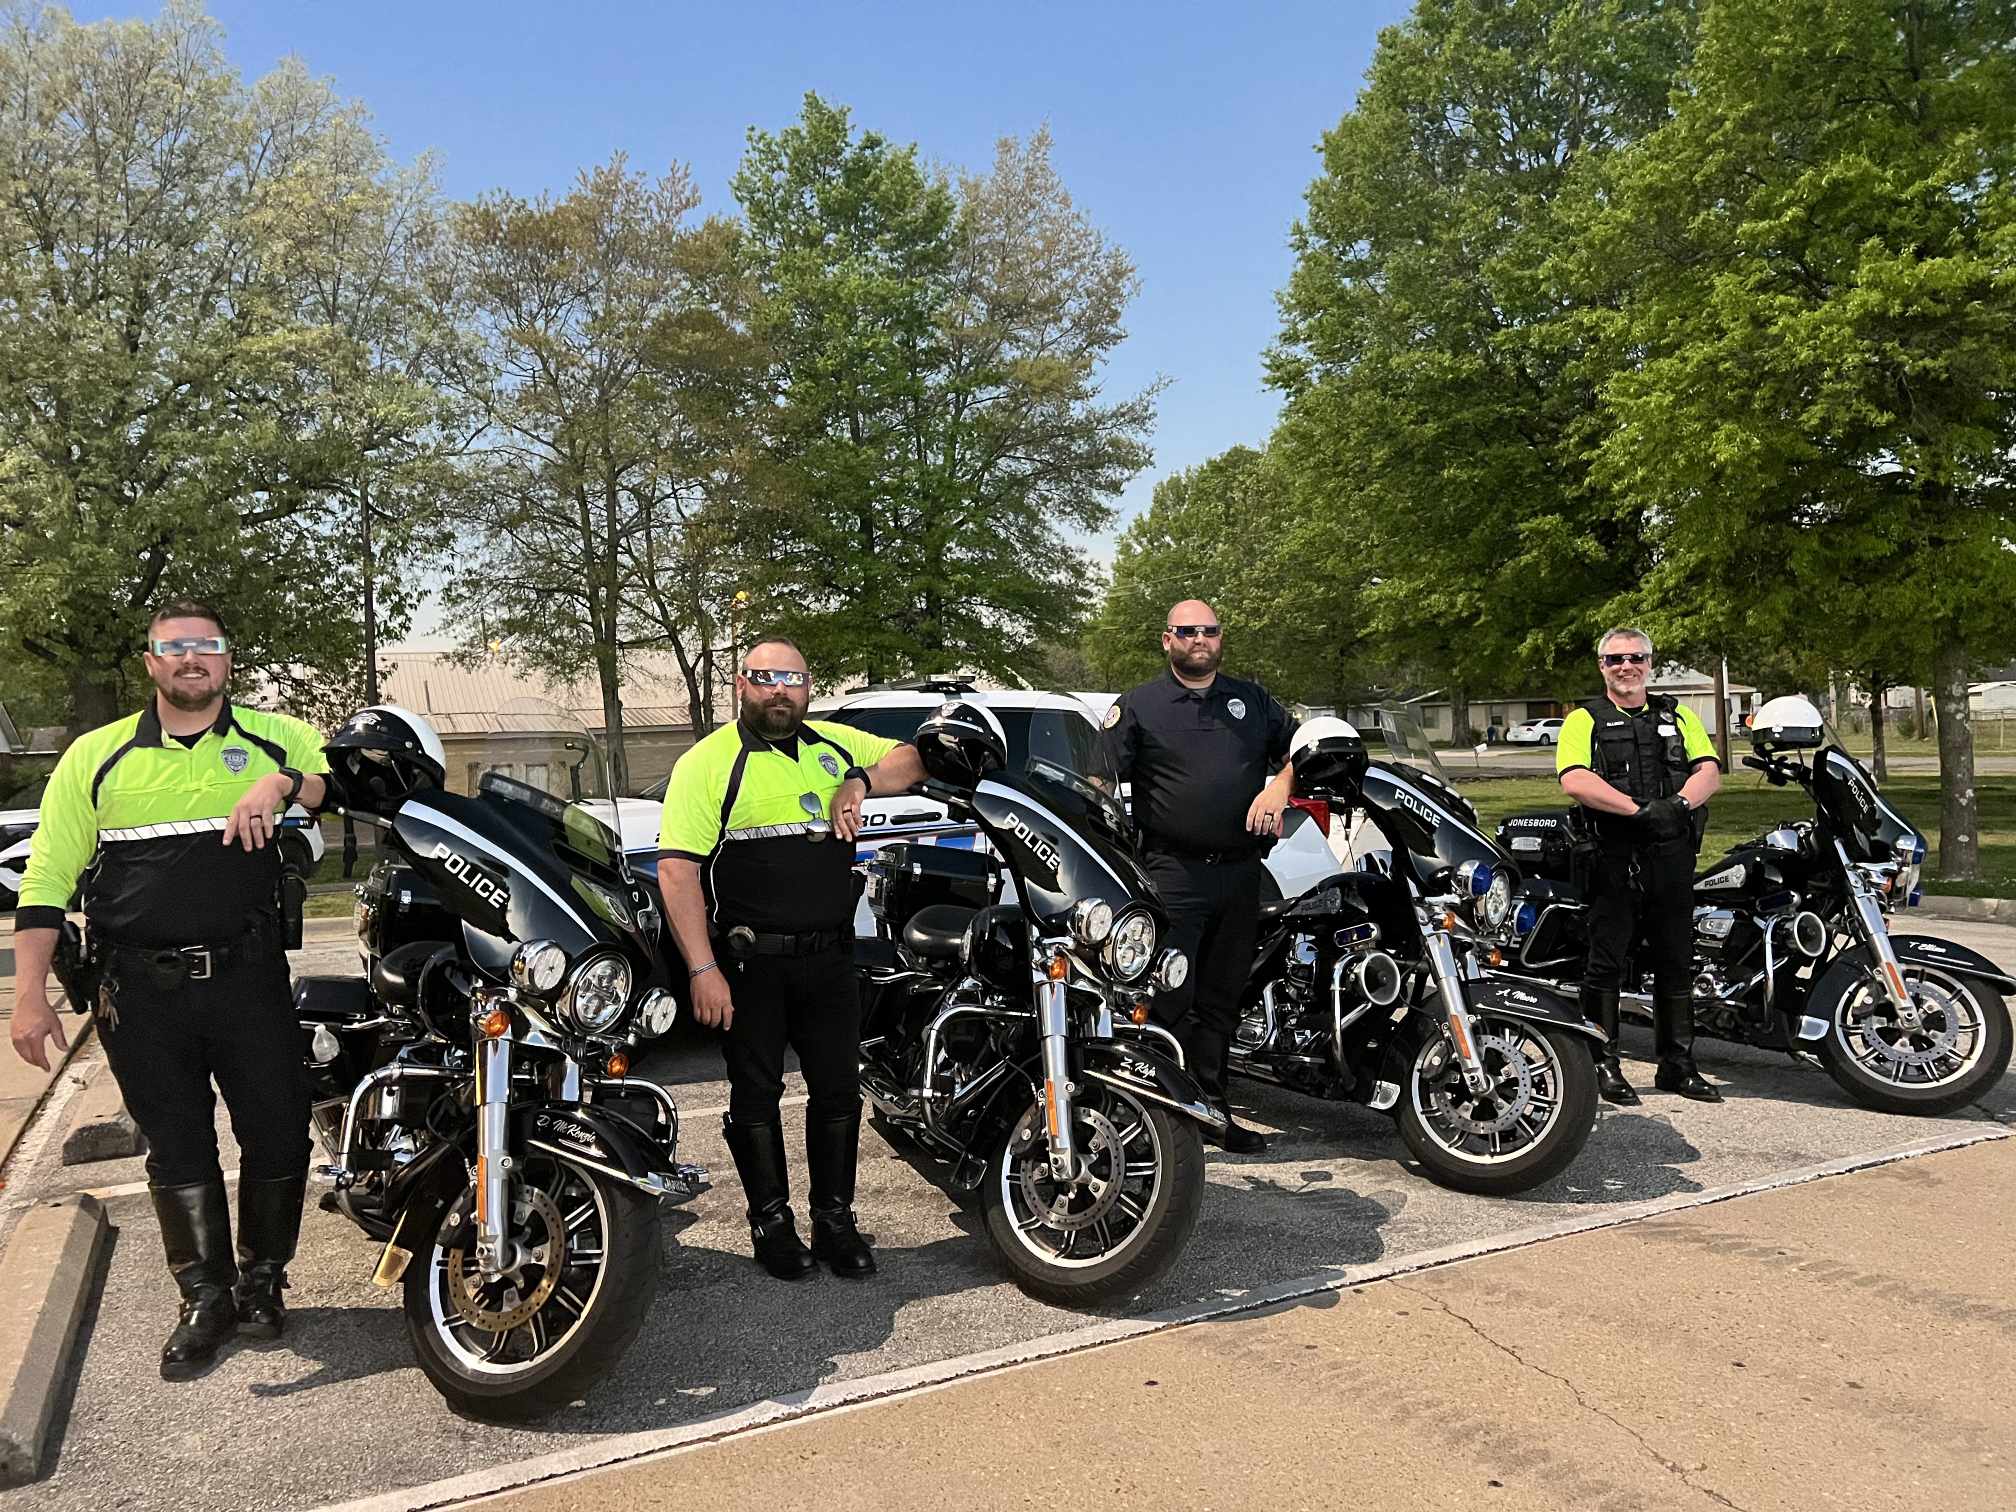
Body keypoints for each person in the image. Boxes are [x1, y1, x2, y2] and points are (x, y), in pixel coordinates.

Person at [9, 600, 330, 1378]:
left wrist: (281, 783)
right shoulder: (96, 756)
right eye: (175, 647)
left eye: (207, 646)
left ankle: (262, 1283)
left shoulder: (277, 737)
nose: (192, 659)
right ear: (151, 662)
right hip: (140, 994)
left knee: (279, 1132)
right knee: (178, 1146)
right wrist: (28, 995)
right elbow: (47, 878)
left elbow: (342, 780)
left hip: (248, 981)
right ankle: (205, 1299)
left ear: (227, 661)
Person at [656, 637, 926, 1280]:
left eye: (794, 679)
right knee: (756, 1096)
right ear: (741, 685)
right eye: (766, 677)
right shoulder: (707, 763)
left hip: (830, 958)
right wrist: (702, 969)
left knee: (838, 1091)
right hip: (750, 964)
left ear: (808, 688)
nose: (780, 689)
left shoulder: (834, 744)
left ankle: (835, 1223)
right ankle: (772, 1226)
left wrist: (858, 781)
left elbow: (913, 759)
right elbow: (676, 872)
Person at [1101, 599, 1296, 1154]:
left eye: (1209, 631)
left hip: (1241, 873)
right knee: (1165, 997)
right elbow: (1097, 779)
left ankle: (1213, 1113)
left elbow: (1301, 751)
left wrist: (1279, 787)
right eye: (1187, 631)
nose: (1200, 640)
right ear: (1167, 640)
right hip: (1171, 874)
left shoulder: (1252, 701)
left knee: (1221, 1001)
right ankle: (1150, 1121)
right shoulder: (1139, 705)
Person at [1556, 626, 1723, 1104]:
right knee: (1605, 962)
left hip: (1671, 856)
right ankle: (1603, 1064)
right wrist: (1638, 811)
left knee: (1675, 959)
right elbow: (1575, 779)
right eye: (1615, 659)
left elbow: (1708, 770)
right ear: (1602, 667)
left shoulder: (1679, 715)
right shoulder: (1583, 720)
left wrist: (1679, 806)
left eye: (1635, 658)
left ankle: (1678, 1065)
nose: (1626, 666)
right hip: (1613, 856)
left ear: (1650, 663)